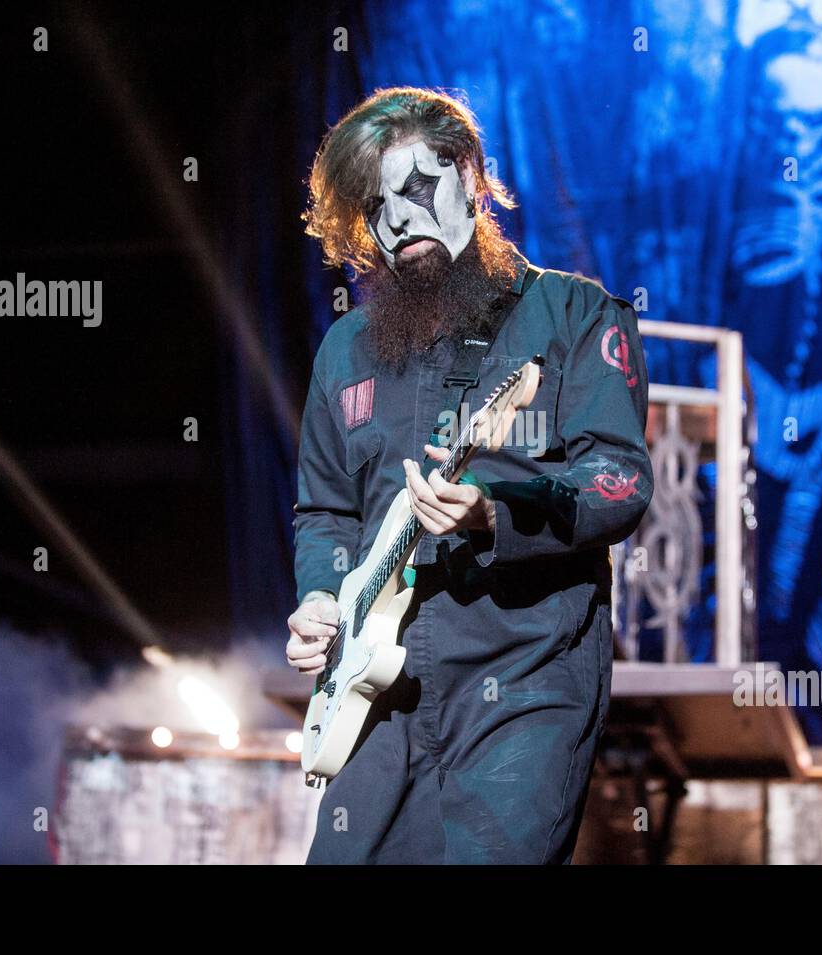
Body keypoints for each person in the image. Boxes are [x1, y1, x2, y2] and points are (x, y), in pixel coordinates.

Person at [286, 87, 651, 863]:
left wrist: (494, 511)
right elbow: (323, 509)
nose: (398, 218)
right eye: (374, 207)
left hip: (525, 677)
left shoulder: (575, 314)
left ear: (471, 175)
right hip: (380, 696)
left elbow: (618, 479)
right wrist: (322, 597)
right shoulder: (344, 351)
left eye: (417, 187)